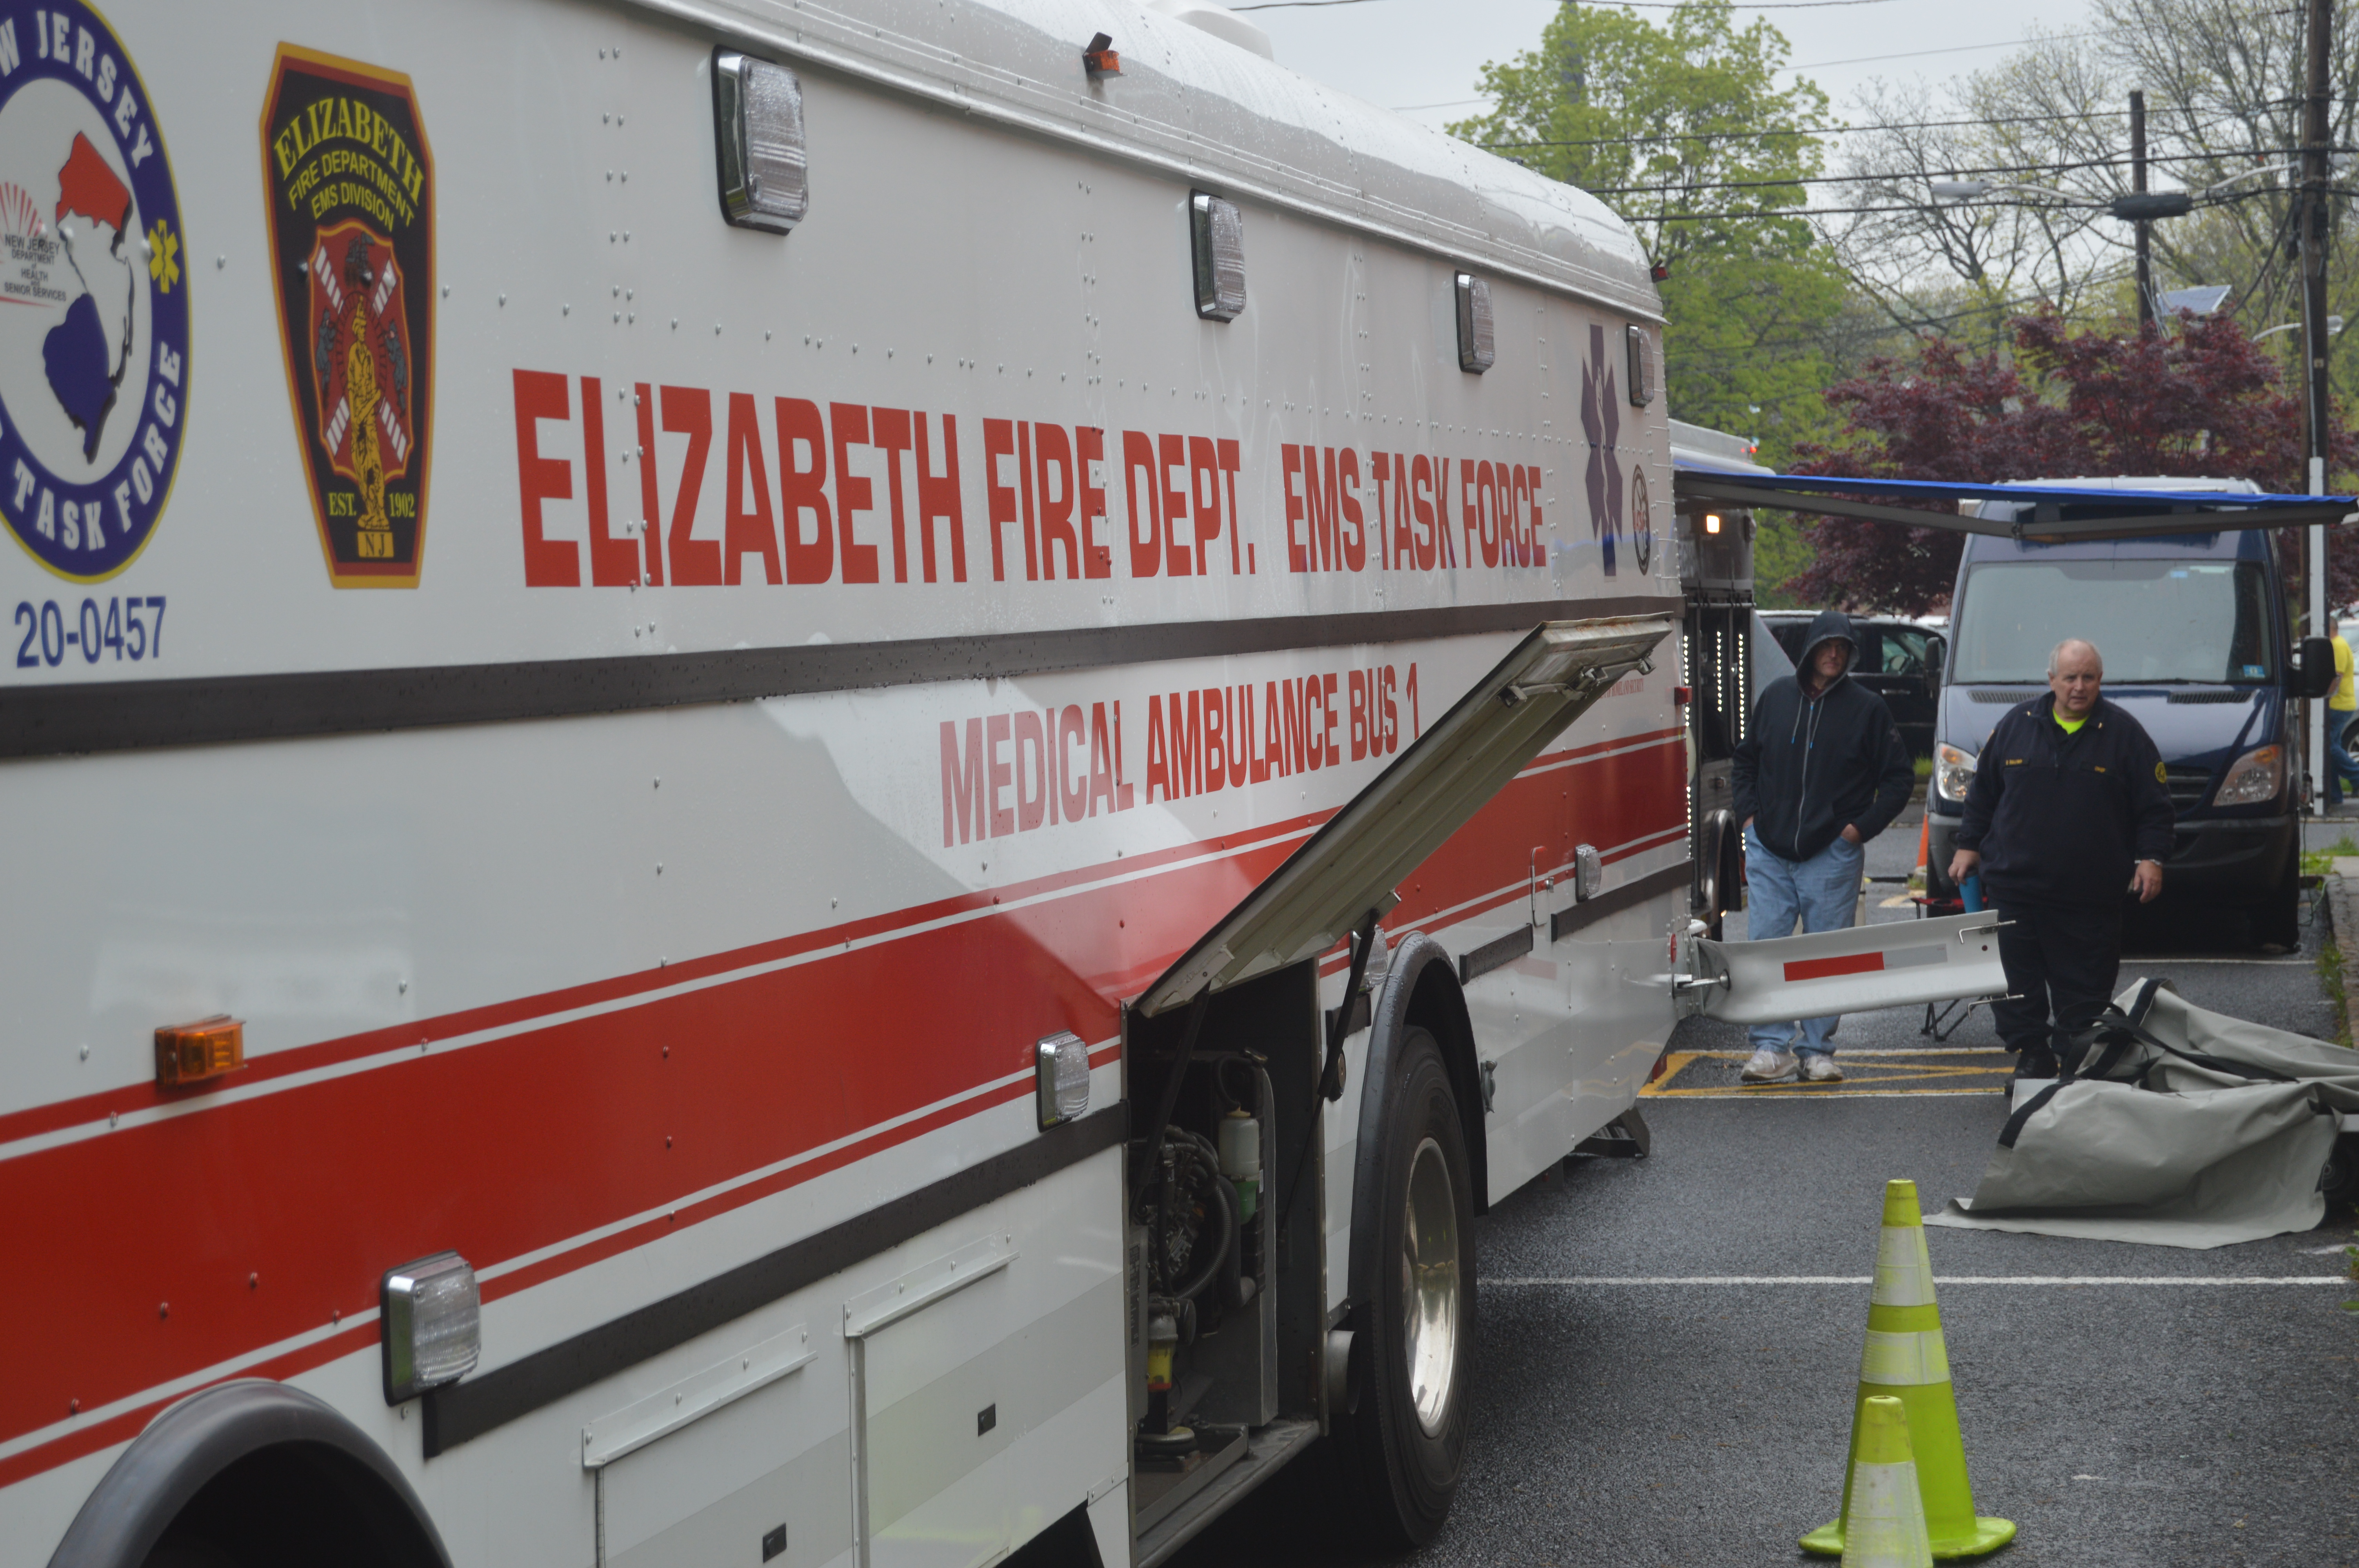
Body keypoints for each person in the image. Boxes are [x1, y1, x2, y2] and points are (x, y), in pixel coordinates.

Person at [1947, 638, 2173, 1079]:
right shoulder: (2015, 725)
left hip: (2088, 893)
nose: (2079, 686)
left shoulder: (2125, 735)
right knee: (2014, 982)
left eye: (2088, 677)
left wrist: (2152, 859)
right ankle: (2031, 1052)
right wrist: (1968, 844)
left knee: (2085, 985)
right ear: (2051, 679)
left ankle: (2076, 1057)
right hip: (2016, 886)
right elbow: (1983, 794)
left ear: (2100, 680)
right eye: (2070, 677)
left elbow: (2155, 806)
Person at [1730, 610, 1915, 1083]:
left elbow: (1898, 779)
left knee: (1826, 954)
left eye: (1843, 647)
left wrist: (1858, 830)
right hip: (1770, 848)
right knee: (1766, 948)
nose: (1834, 654)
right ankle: (1771, 1049)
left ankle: (1816, 1051)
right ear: (1810, 649)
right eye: (1826, 645)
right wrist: (1749, 819)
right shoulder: (1774, 698)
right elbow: (1746, 762)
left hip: (1831, 853)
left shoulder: (1867, 708)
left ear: (1851, 654)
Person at [2328, 619, 2357, 808]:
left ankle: (2356, 775)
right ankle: (2334, 795)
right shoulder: (2339, 644)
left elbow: (2336, 676)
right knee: (2329, 751)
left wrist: (2323, 696)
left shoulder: (2337, 646)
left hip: (2338, 705)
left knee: (2328, 747)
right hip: (2341, 704)